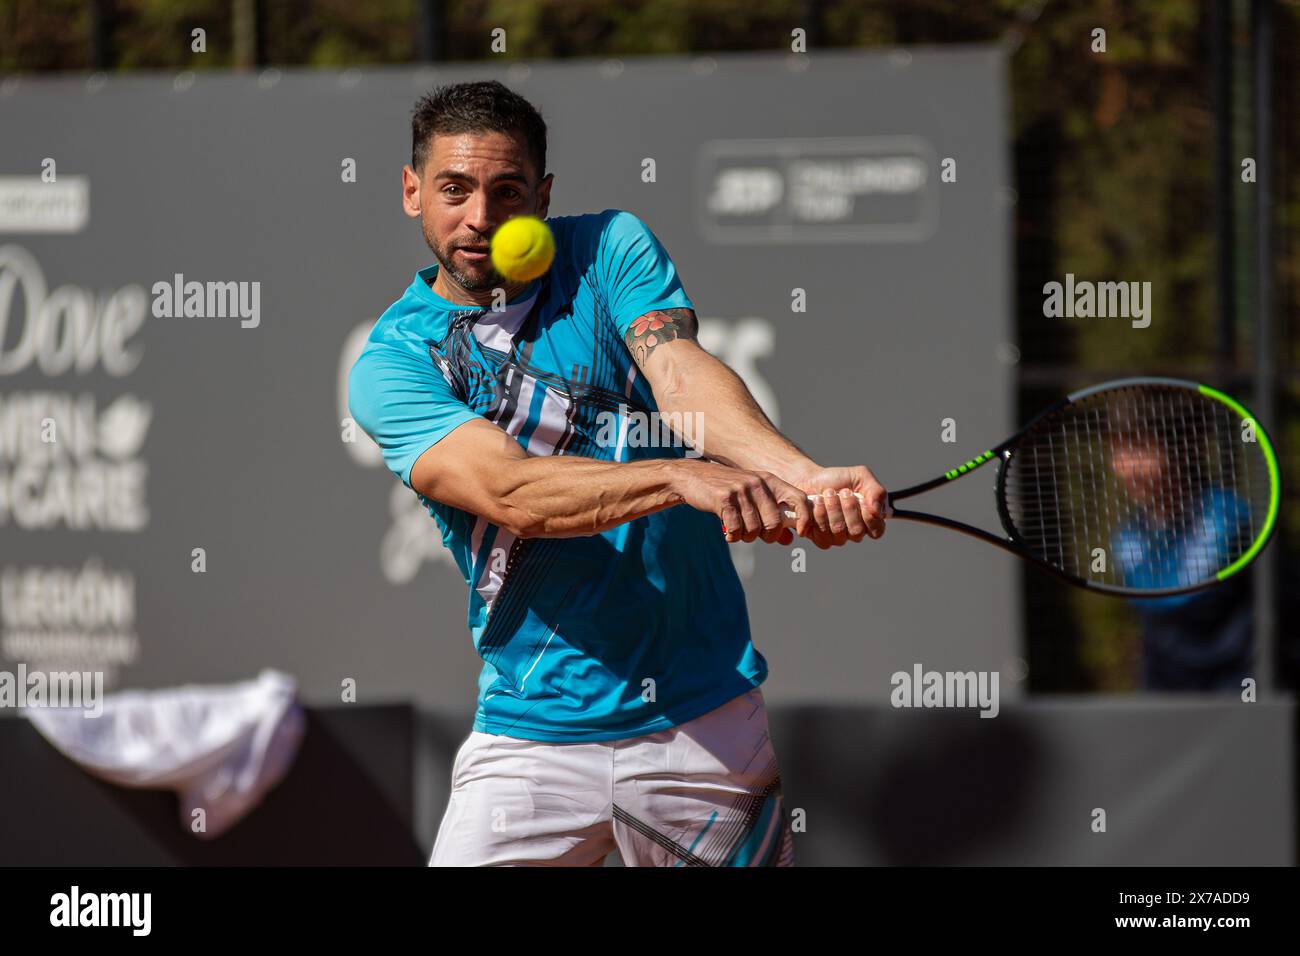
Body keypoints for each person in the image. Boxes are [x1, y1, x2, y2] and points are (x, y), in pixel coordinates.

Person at [348, 80, 887, 866]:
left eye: (507, 192)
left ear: (544, 194)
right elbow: (511, 493)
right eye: (454, 190)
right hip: (528, 740)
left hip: (701, 727)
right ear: (411, 191)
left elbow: (681, 375)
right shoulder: (395, 362)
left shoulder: (608, 249)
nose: (480, 219)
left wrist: (802, 476)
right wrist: (678, 477)